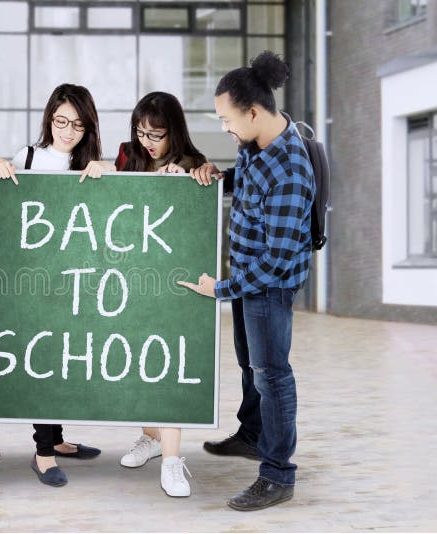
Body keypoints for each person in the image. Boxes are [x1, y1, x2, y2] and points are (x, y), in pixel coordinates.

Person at [181, 51, 315, 511]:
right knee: (249, 362)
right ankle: (253, 435)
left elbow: (276, 263)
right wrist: (221, 179)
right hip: (246, 277)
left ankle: (277, 474)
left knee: (272, 374)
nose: (224, 128)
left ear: (253, 112)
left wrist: (217, 289)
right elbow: (250, 181)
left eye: (226, 119)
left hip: (266, 288)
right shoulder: (257, 144)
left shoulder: (291, 171)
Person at [0, 83, 112, 487]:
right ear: (49, 119)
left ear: (87, 126)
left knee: (65, 359)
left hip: (77, 279)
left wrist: (106, 168)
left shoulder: (90, 164)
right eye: (61, 121)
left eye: (77, 123)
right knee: (43, 360)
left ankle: (56, 440)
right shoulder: (28, 156)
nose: (68, 130)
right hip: (36, 280)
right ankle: (42, 453)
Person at [113, 91, 207, 498]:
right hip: (129, 277)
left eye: (156, 134)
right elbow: (111, 202)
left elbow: (201, 218)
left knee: (169, 366)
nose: (147, 141)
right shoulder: (127, 155)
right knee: (138, 363)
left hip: (173, 283)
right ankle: (151, 438)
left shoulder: (193, 163)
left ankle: (171, 461)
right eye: (140, 131)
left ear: (175, 132)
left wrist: (188, 182)